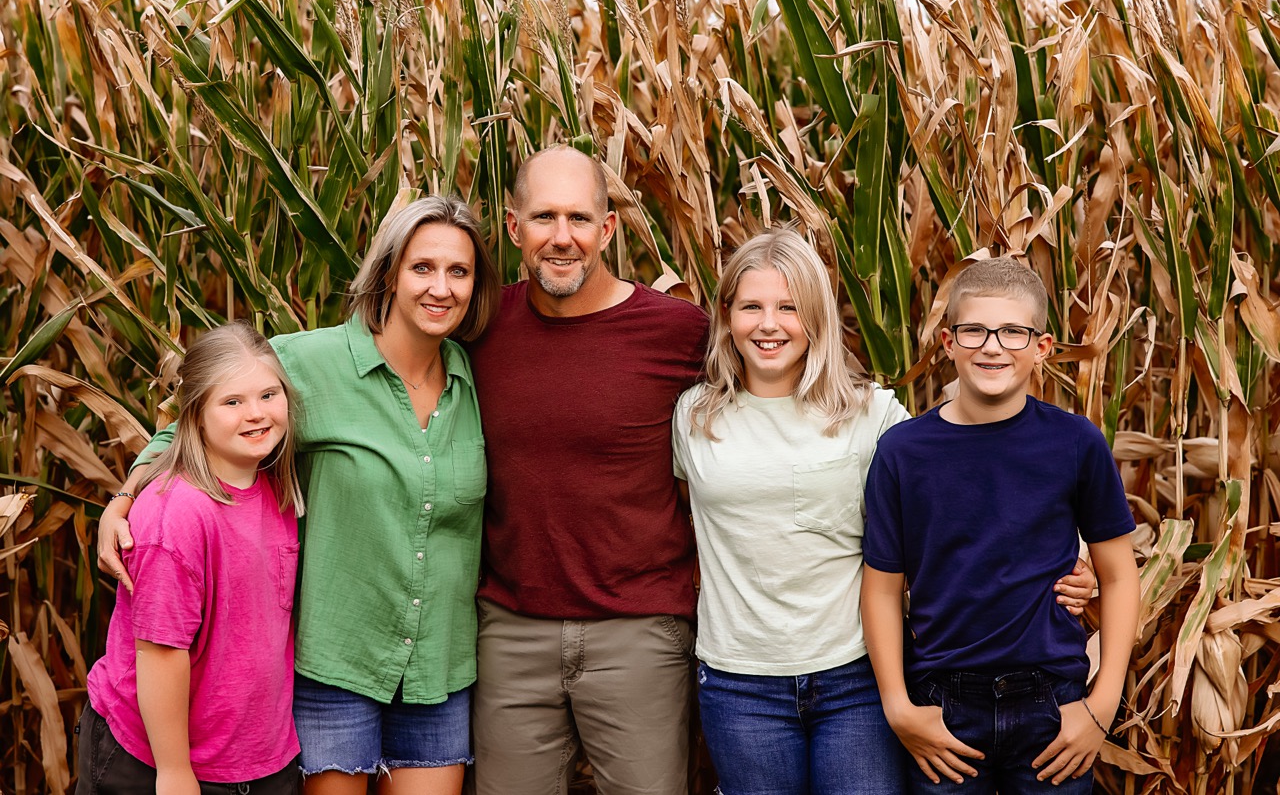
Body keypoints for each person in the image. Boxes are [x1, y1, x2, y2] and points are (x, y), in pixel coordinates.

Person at [96, 196, 501, 795]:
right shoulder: (308, 363)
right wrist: (122, 500)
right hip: (333, 667)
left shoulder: (475, 379)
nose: (441, 287)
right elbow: (190, 423)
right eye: (422, 267)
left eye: (459, 272)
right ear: (389, 272)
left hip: (437, 674)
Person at [670, 232, 1095, 795]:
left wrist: (1076, 558)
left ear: (817, 316)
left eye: (789, 306)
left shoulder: (872, 415)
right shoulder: (694, 416)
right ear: (726, 317)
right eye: (752, 306)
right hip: (738, 679)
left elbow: (964, 484)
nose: (769, 324)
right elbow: (674, 519)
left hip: (856, 675)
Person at [466, 146, 710, 795]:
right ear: (514, 229)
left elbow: (785, 388)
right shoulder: (479, 328)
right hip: (512, 629)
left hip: (639, 630)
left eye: (579, 218)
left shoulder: (679, 334)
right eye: (544, 217)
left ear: (607, 230)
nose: (562, 238)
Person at [861, 256, 1140, 794]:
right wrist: (898, 707)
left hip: (1052, 705)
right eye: (975, 331)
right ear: (947, 342)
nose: (992, 346)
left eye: (1014, 332)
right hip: (942, 703)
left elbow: (1120, 576)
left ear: (1042, 347)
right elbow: (881, 587)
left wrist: (1101, 706)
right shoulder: (903, 451)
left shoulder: (1076, 442)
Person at [78, 322, 305, 795]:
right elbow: (160, 652)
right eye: (232, 402)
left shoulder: (274, 486)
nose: (256, 414)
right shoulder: (177, 515)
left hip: (255, 758)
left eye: (268, 394)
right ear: (194, 414)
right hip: (159, 761)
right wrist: (174, 771)